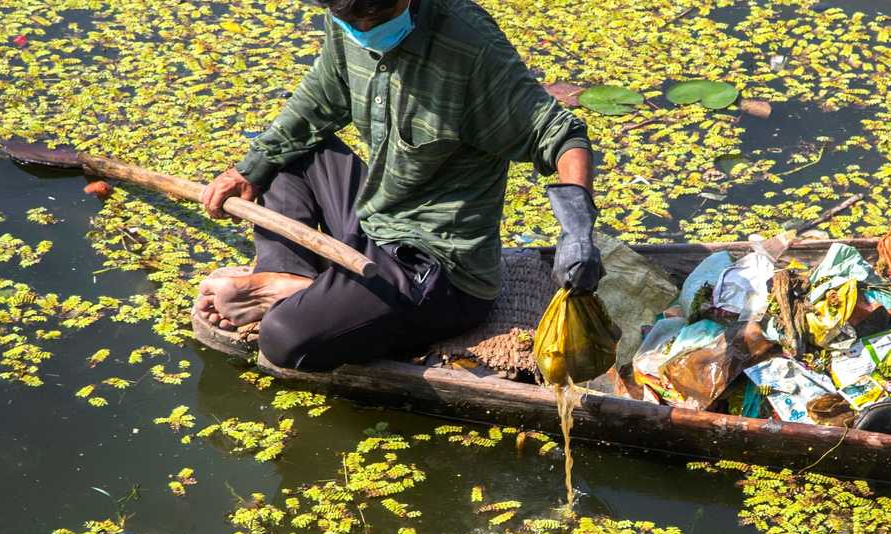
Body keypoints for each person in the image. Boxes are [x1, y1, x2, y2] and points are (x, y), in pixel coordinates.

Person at [196, 0, 602, 371]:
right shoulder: (347, 18)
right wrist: (247, 171)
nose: (363, 27)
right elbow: (317, 103)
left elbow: (561, 135)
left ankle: (291, 298)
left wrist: (578, 228)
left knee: (283, 340)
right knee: (288, 156)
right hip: (375, 220)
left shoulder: (468, 48)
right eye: (350, 18)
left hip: (439, 267)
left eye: (375, 16)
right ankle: (294, 284)